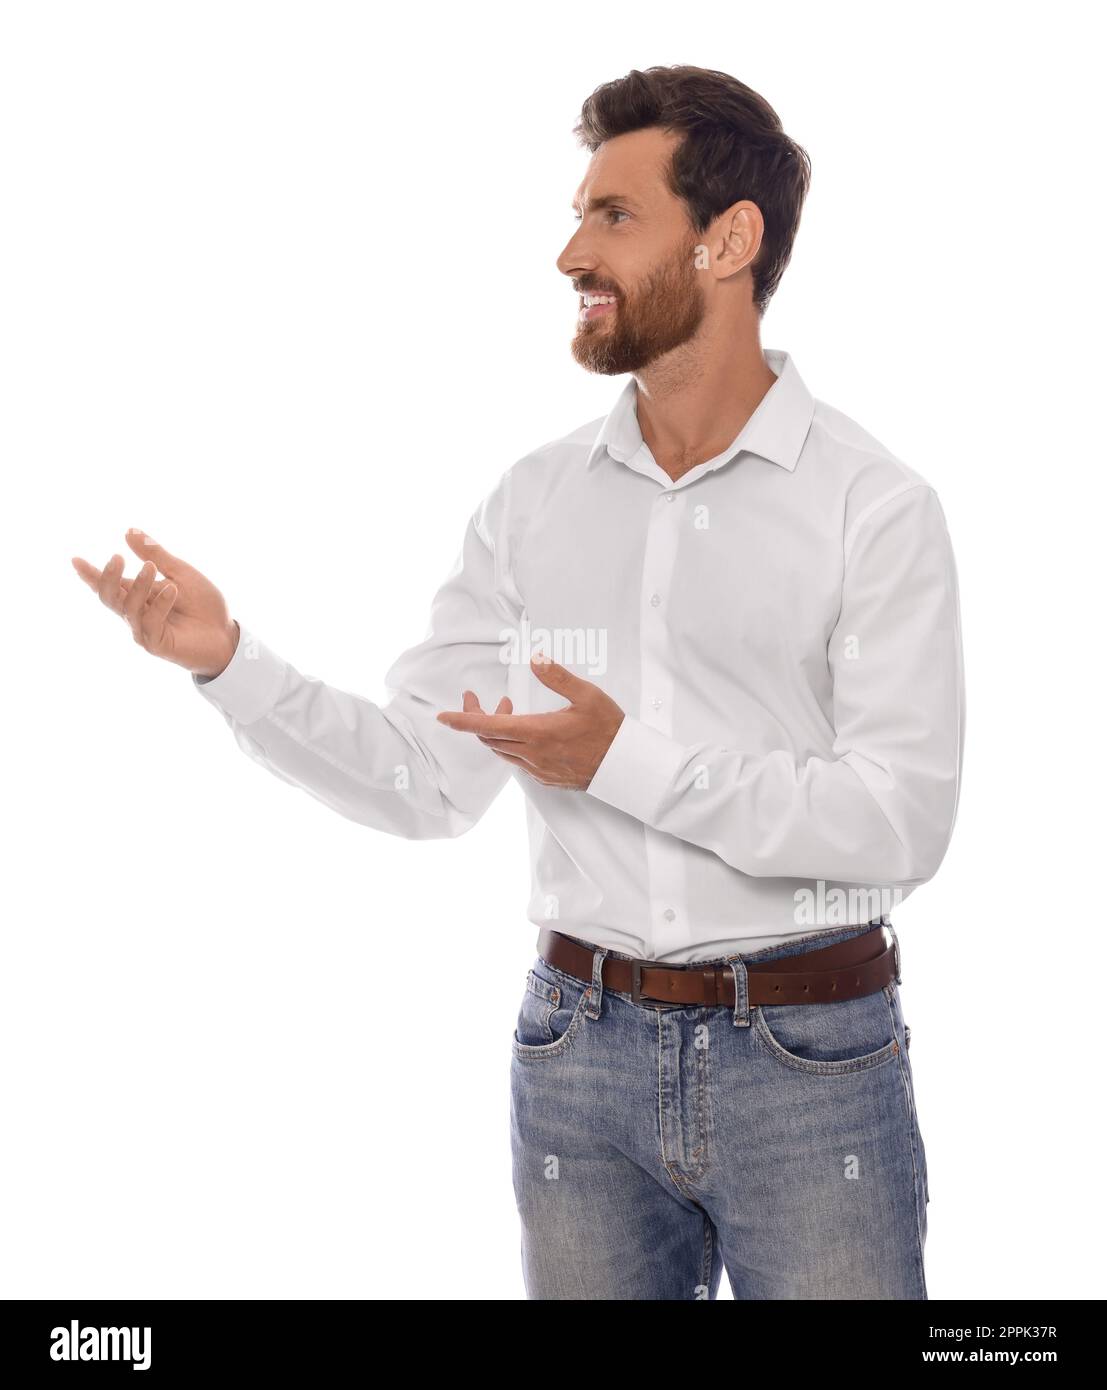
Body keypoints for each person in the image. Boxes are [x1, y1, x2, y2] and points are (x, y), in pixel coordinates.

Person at [72, 65, 964, 1300]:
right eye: (578, 214)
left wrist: (622, 761)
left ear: (730, 241)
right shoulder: (533, 505)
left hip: (809, 1064)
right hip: (577, 1058)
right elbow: (423, 781)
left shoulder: (874, 507)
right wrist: (230, 663)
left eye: (613, 217)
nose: (568, 255)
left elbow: (898, 820)